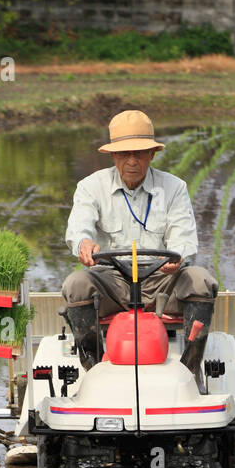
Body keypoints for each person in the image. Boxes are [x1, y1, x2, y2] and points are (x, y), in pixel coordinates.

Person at [62, 109, 217, 389]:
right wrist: (84, 243)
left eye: (140, 153)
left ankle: (190, 372)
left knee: (201, 280)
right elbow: (79, 227)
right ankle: (93, 372)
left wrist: (179, 257)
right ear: (113, 156)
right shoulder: (90, 187)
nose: (132, 161)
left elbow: (183, 238)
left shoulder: (174, 188)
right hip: (113, 282)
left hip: (162, 282)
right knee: (76, 284)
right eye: (124, 154)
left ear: (152, 154)